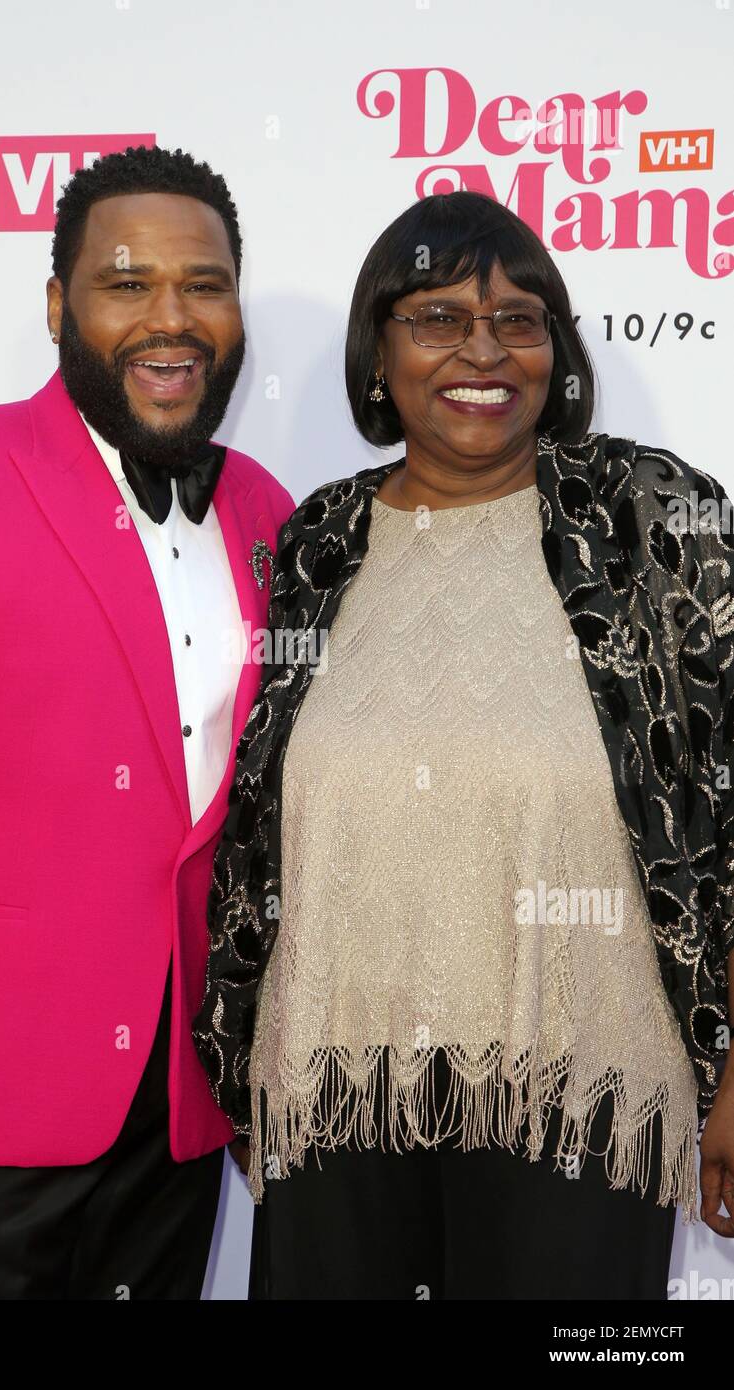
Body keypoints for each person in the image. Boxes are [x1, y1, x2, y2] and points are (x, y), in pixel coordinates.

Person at [193, 189, 734, 1300]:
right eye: (438, 318)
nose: (483, 351)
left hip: (582, 1089)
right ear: (377, 354)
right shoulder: (319, 540)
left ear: (557, 349)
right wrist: (240, 1048)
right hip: (335, 1081)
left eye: (518, 319)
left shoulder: (653, 515)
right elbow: (262, 810)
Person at [0, 144, 293, 1299]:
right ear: (56, 305)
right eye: (126, 283)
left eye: (205, 285)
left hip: (180, 1114)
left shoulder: (268, 509)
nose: (169, 318)